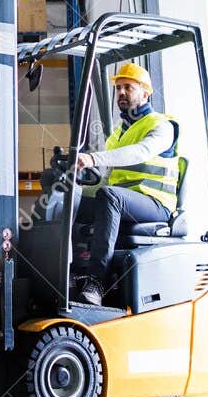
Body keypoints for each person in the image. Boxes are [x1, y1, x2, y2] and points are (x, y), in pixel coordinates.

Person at [71, 62, 179, 306]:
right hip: (125, 202)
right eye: (118, 88)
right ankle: (75, 273)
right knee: (71, 202)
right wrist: (74, 192)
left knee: (110, 196)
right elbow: (108, 180)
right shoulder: (119, 133)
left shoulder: (162, 126)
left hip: (156, 205)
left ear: (145, 92)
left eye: (128, 88)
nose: (121, 93)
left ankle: (97, 283)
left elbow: (140, 152)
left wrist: (92, 158)